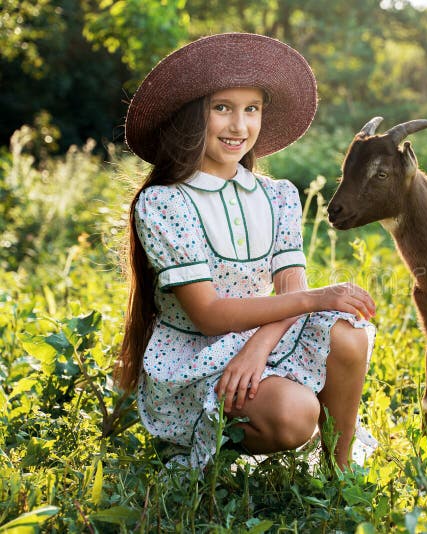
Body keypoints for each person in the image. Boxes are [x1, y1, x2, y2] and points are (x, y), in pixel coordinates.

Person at [117, 32, 377, 470]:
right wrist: (316, 298)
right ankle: (212, 436)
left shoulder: (278, 196)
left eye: (251, 110)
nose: (239, 127)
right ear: (191, 117)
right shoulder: (166, 202)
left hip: (262, 336)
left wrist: (258, 347)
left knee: (348, 331)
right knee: (294, 415)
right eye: (222, 109)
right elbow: (209, 314)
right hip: (199, 354)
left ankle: (341, 466)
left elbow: (290, 288)